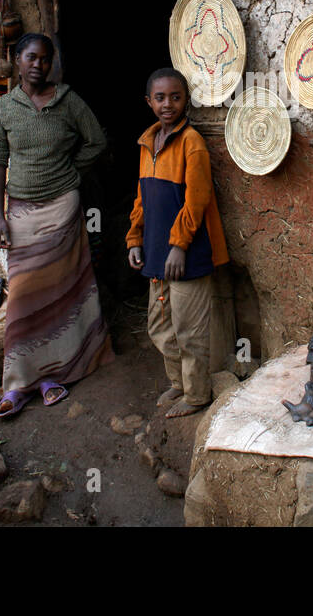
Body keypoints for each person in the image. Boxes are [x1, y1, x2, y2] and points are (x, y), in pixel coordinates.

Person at [0, 33, 114, 417]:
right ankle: (17, 384)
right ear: (17, 60)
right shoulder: (5, 108)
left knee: (61, 291)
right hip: (22, 212)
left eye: (45, 59)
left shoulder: (67, 101)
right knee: (24, 295)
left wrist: (71, 173)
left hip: (62, 208)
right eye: (30, 58)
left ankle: (52, 376)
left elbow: (96, 141)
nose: (38, 65)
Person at [125, 68, 229, 418]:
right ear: (148, 102)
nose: (168, 104)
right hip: (156, 251)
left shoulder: (191, 143)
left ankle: (197, 395)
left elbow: (197, 200)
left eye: (176, 97)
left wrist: (180, 245)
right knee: (158, 324)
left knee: (189, 330)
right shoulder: (146, 143)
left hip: (188, 252)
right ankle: (179, 382)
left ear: (186, 100)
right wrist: (134, 239)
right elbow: (142, 199)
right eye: (160, 98)